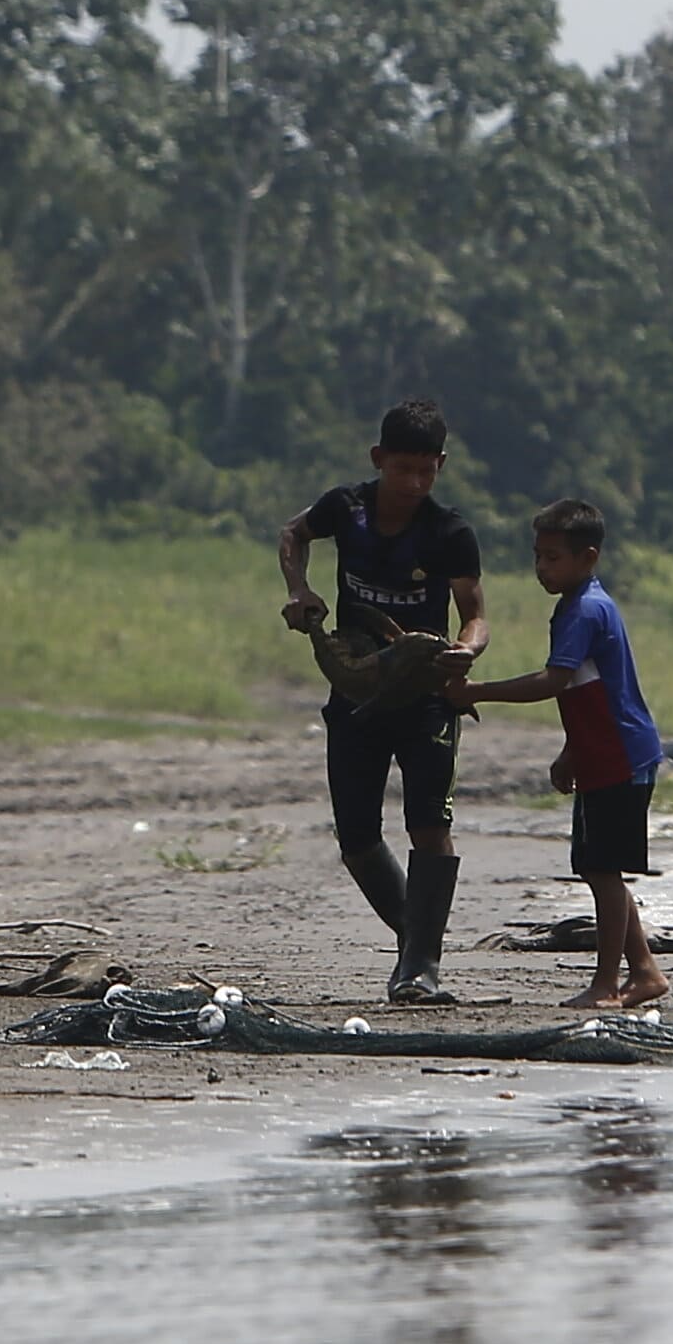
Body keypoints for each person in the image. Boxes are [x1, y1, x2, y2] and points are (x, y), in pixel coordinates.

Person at [278, 399, 487, 1003]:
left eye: (427, 472)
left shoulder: (449, 533)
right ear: (379, 460)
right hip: (358, 694)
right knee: (358, 839)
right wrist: (299, 590)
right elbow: (293, 533)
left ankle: (420, 968)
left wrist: (466, 651)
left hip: (426, 700)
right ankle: (417, 942)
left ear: (441, 466)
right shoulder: (345, 509)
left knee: (428, 826)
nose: (415, 484)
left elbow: (476, 618)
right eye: (403, 471)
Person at [454, 496, 670, 1009]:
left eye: (553, 557)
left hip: (620, 754)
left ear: (588, 557)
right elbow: (588, 689)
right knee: (602, 869)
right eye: (538, 556)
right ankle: (644, 973)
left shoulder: (586, 609)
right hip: (601, 752)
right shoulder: (577, 606)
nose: (541, 568)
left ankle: (605, 987)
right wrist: (572, 750)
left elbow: (554, 681)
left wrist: (476, 690)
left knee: (603, 871)